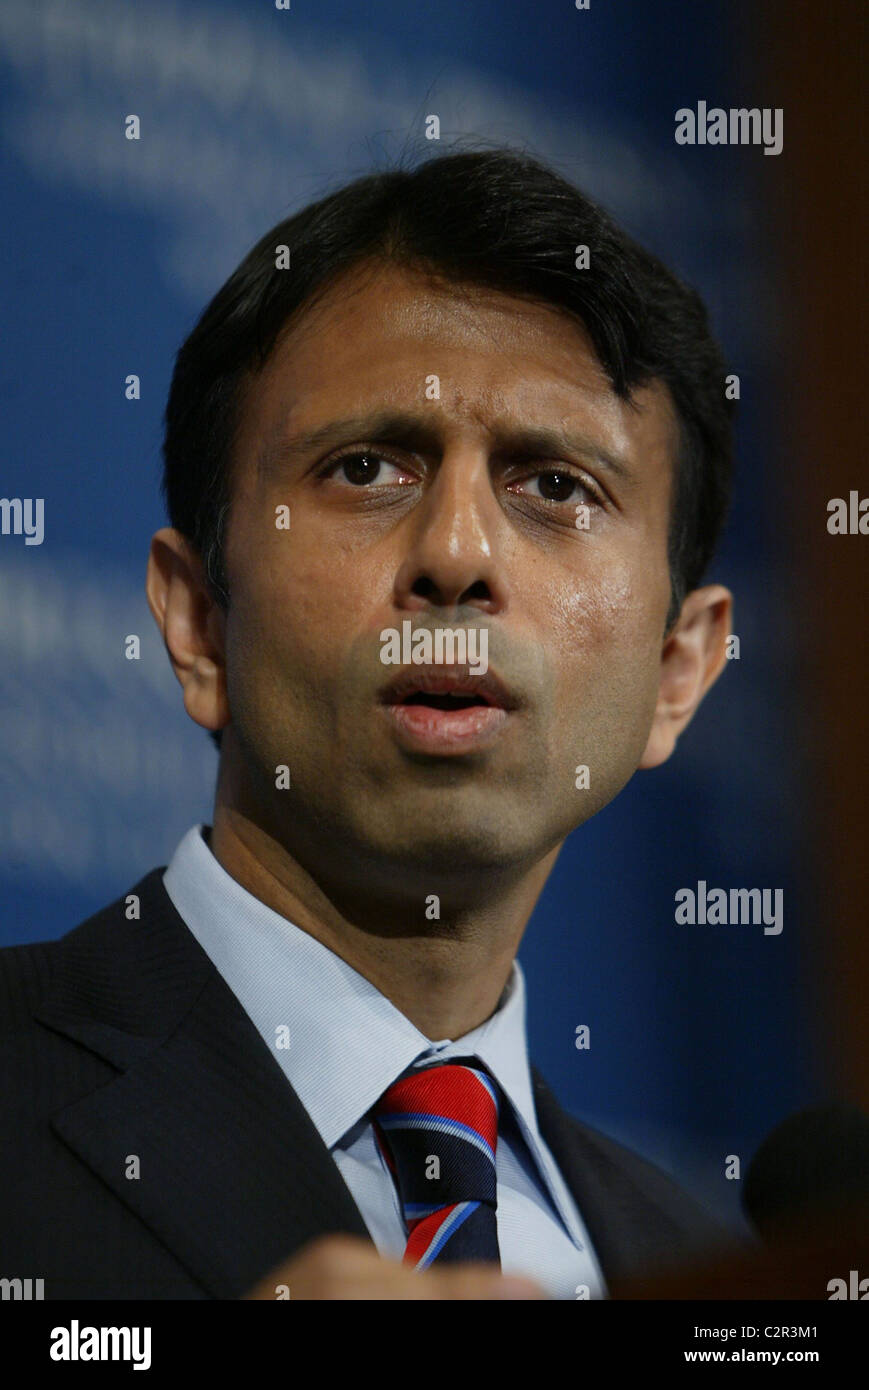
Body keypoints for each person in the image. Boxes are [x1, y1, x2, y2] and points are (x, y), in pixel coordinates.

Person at [0, 147, 738, 1300]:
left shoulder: (714, 1273)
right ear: (197, 623)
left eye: (553, 485)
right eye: (366, 467)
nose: (456, 555)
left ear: (676, 670)